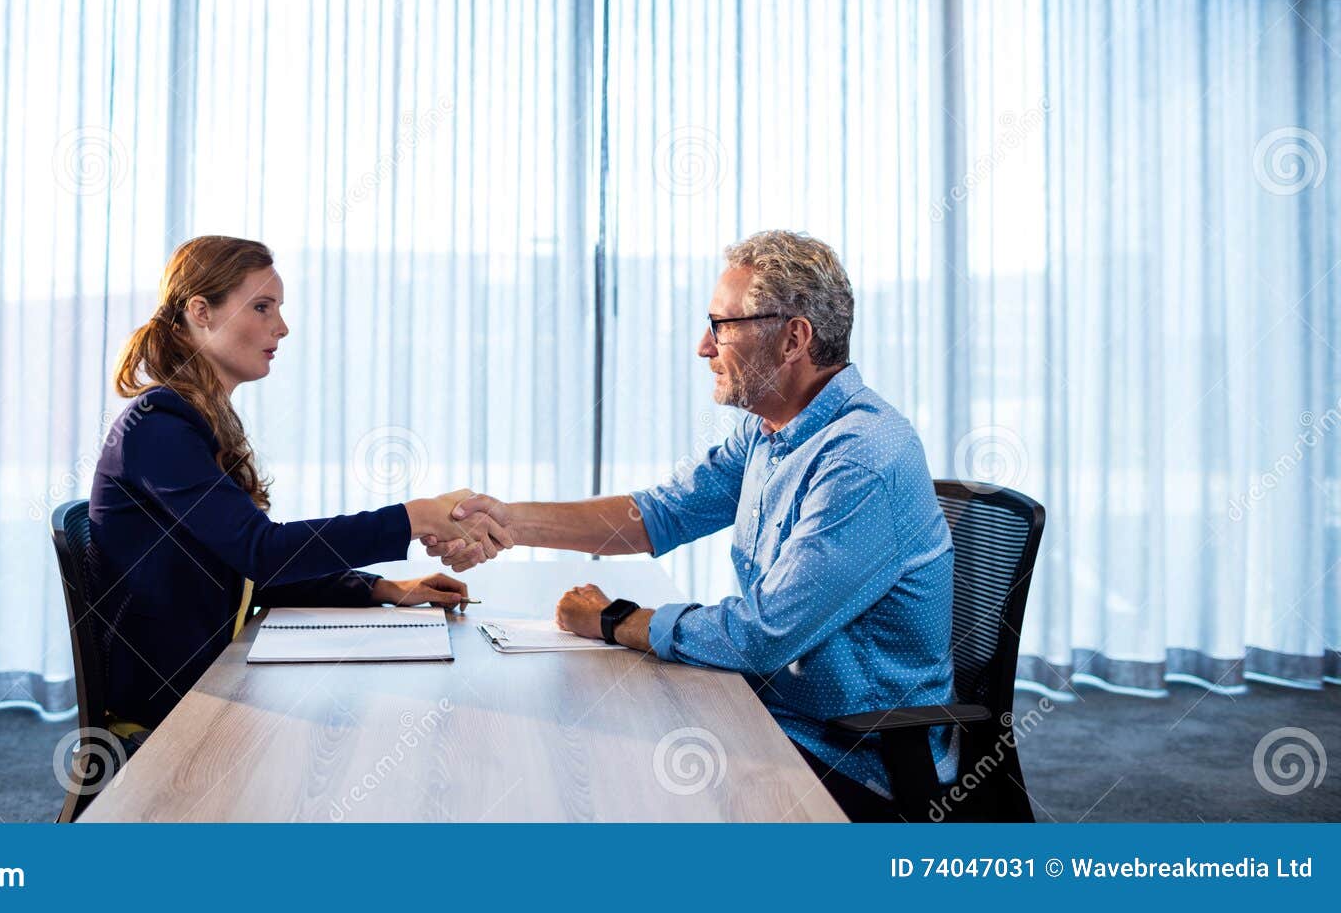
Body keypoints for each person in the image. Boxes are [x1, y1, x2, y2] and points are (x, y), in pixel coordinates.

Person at [426, 230, 957, 821]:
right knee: (584, 747)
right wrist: (507, 521)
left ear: (794, 338)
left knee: (608, 778)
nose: (703, 346)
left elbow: (762, 635)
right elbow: (657, 514)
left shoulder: (862, 458)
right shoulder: (773, 430)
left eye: (722, 325)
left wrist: (614, 619)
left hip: (851, 756)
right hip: (771, 710)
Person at [87, 236, 510, 733]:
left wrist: (384, 589)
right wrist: (413, 518)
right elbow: (261, 551)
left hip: (208, 680)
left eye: (279, 309)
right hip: (175, 710)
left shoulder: (193, 420)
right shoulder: (158, 426)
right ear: (201, 311)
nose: (281, 328)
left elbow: (245, 569)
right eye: (262, 307)